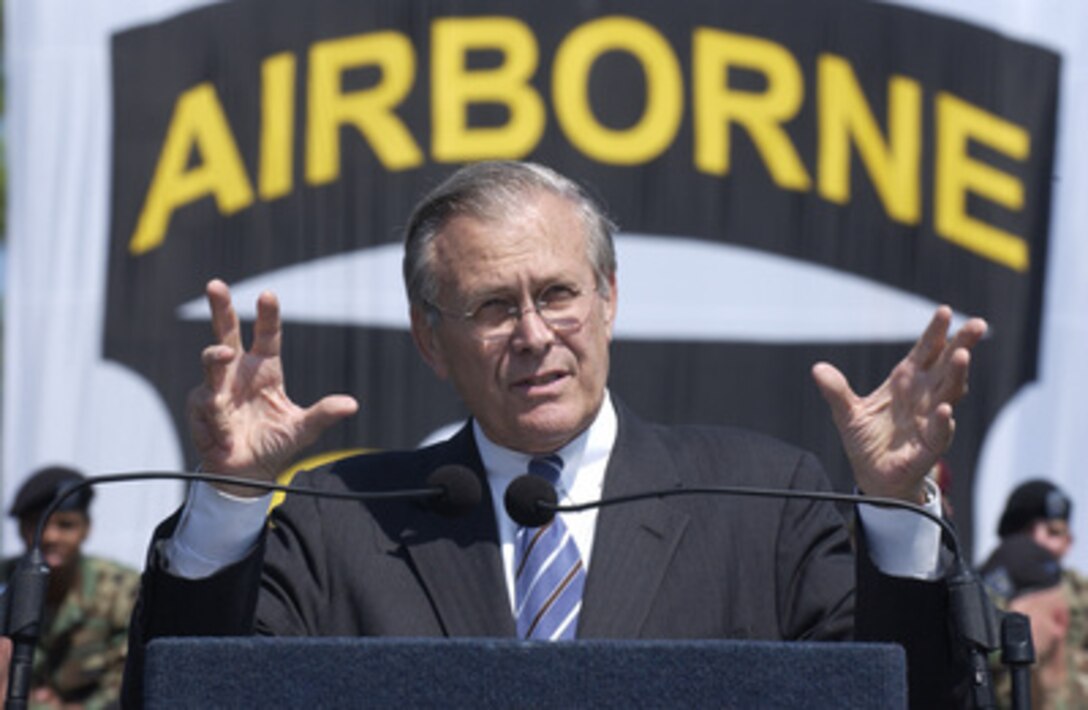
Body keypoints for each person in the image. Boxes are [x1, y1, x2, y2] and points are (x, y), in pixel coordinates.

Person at [123, 161, 988, 708]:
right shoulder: (340, 516)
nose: (534, 334)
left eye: (558, 295)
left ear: (608, 299)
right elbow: (189, 692)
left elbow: (902, 696)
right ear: (431, 339)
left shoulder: (762, 502)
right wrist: (233, 501)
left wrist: (896, 512)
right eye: (494, 307)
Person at [0, 466, 140, 709]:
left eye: (66, 525)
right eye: (38, 524)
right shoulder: (4, 583)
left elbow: (132, 678)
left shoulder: (120, 590)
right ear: (21, 528)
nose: (51, 537)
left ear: (86, 529)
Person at [981, 479, 1088, 709]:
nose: (1055, 546)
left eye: (1061, 534)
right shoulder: (982, 592)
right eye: (1048, 532)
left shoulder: (1079, 594)